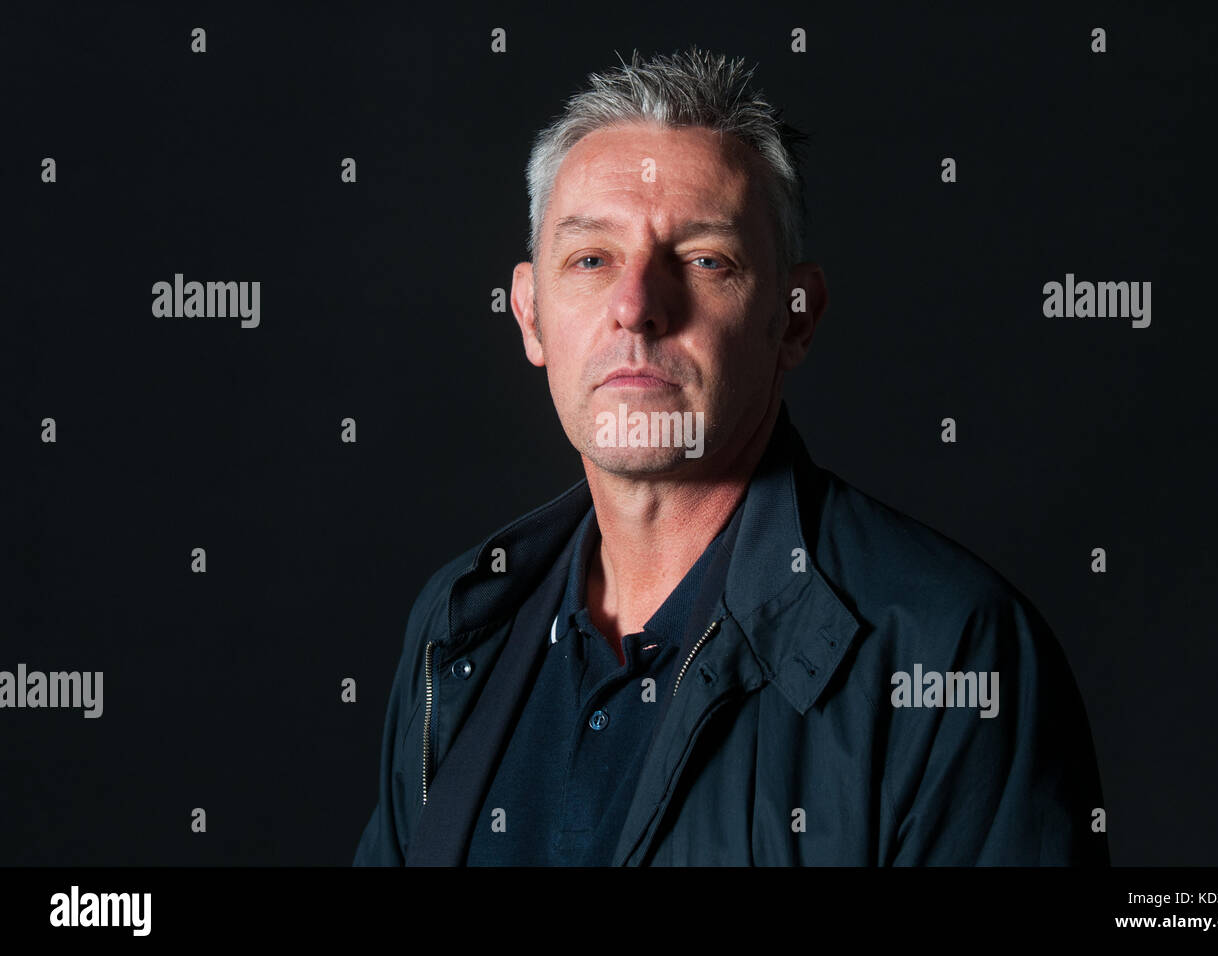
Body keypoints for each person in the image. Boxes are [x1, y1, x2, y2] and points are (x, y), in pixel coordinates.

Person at [352, 46, 1109, 866]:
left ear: (794, 318)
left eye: (705, 260)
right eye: (592, 260)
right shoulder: (461, 623)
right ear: (532, 316)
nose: (637, 307)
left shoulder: (950, 653)